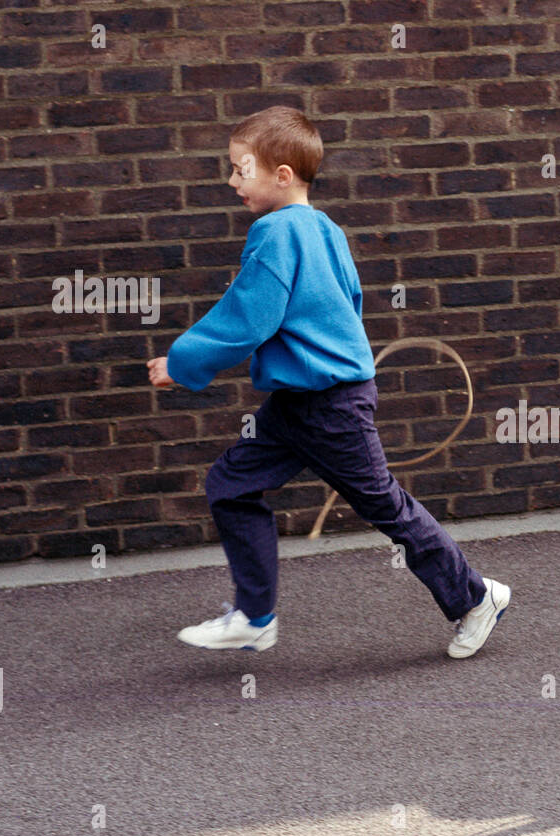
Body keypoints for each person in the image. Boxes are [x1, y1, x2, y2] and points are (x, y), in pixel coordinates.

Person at [146, 106, 509, 658]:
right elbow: (348, 304)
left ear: (283, 175)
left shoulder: (275, 232)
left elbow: (248, 316)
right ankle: (255, 616)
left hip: (329, 405)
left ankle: (474, 597)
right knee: (231, 485)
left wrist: (182, 362)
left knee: (386, 506)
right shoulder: (324, 229)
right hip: (301, 402)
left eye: (241, 170)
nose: (232, 181)